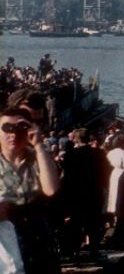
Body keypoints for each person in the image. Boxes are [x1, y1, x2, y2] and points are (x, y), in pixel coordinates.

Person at [0, 107, 60, 272]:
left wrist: (39, 145)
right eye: (6, 128)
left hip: (36, 236)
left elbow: (51, 189)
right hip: (4, 239)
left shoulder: (38, 158)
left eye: (21, 128)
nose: (13, 134)